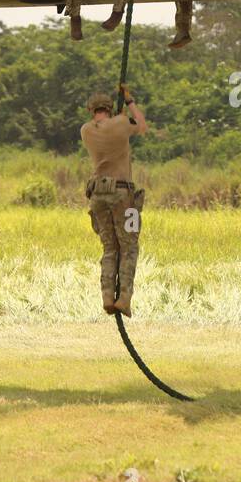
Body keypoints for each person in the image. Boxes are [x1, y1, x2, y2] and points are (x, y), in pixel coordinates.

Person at [81, 88, 148, 317]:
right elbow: (141, 125)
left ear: (92, 111)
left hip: (98, 196)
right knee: (128, 247)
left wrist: (118, 118)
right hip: (123, 195)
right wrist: (129, 101)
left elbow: (107, 131)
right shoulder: (120, 123)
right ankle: (125, 298)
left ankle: (108, 295)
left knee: (110, 248)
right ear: (110, 109)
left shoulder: (86, 130)